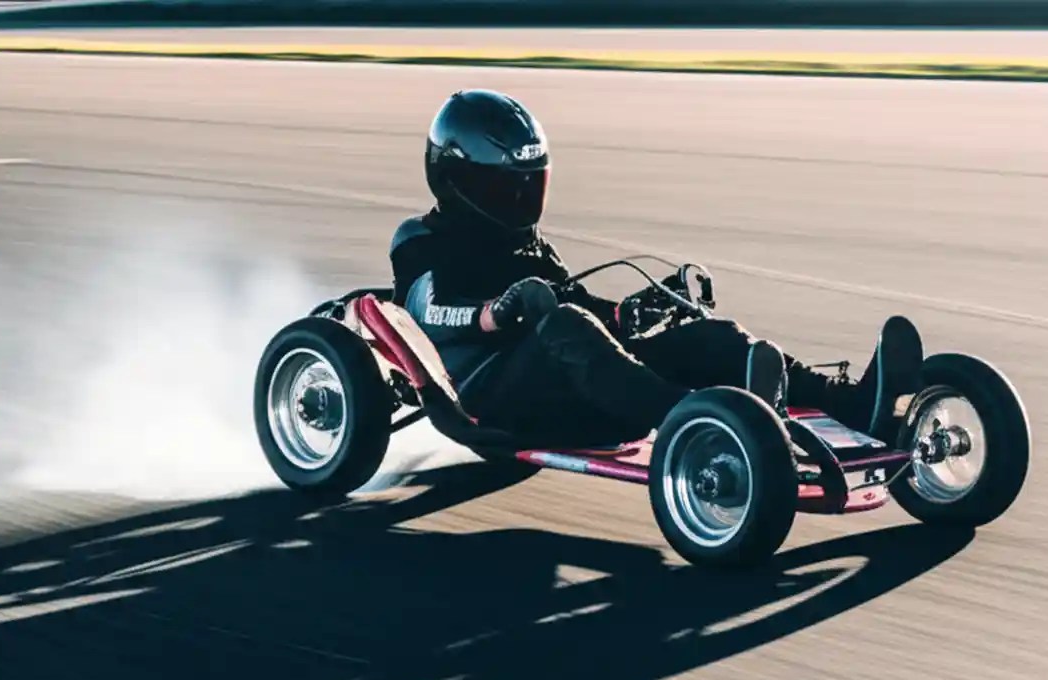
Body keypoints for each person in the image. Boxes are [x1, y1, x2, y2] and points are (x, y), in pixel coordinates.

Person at [389, 89, 923, 445]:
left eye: (530, 183)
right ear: (456, 179)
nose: (521, 198)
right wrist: (497, 313)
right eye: (504, 186)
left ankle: (854, 406)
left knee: (714, 337)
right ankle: (705, 423)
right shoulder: (422, 239)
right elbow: (424, 314)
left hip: (568, 384)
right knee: (565, 326)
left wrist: (631, 311)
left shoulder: (527, 245)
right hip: (488, 395)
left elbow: (575, 307)